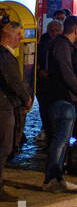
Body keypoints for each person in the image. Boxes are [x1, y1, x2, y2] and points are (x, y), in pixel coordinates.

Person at [44, 15, 77, 192]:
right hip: (62, 100)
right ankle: (52, 178)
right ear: (76, 30)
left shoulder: (62, 45)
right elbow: (67, 73)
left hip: (65, 99)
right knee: (60, 140)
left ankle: (57, 176)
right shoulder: (62, 45)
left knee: (62, 140)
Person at [0, 21, 32, 195]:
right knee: (4, 147)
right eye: (18, 34)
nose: (21, 38)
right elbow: (13, 80)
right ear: (7, 34)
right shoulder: (4, 56)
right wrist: (25, 97)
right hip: (4, 107)